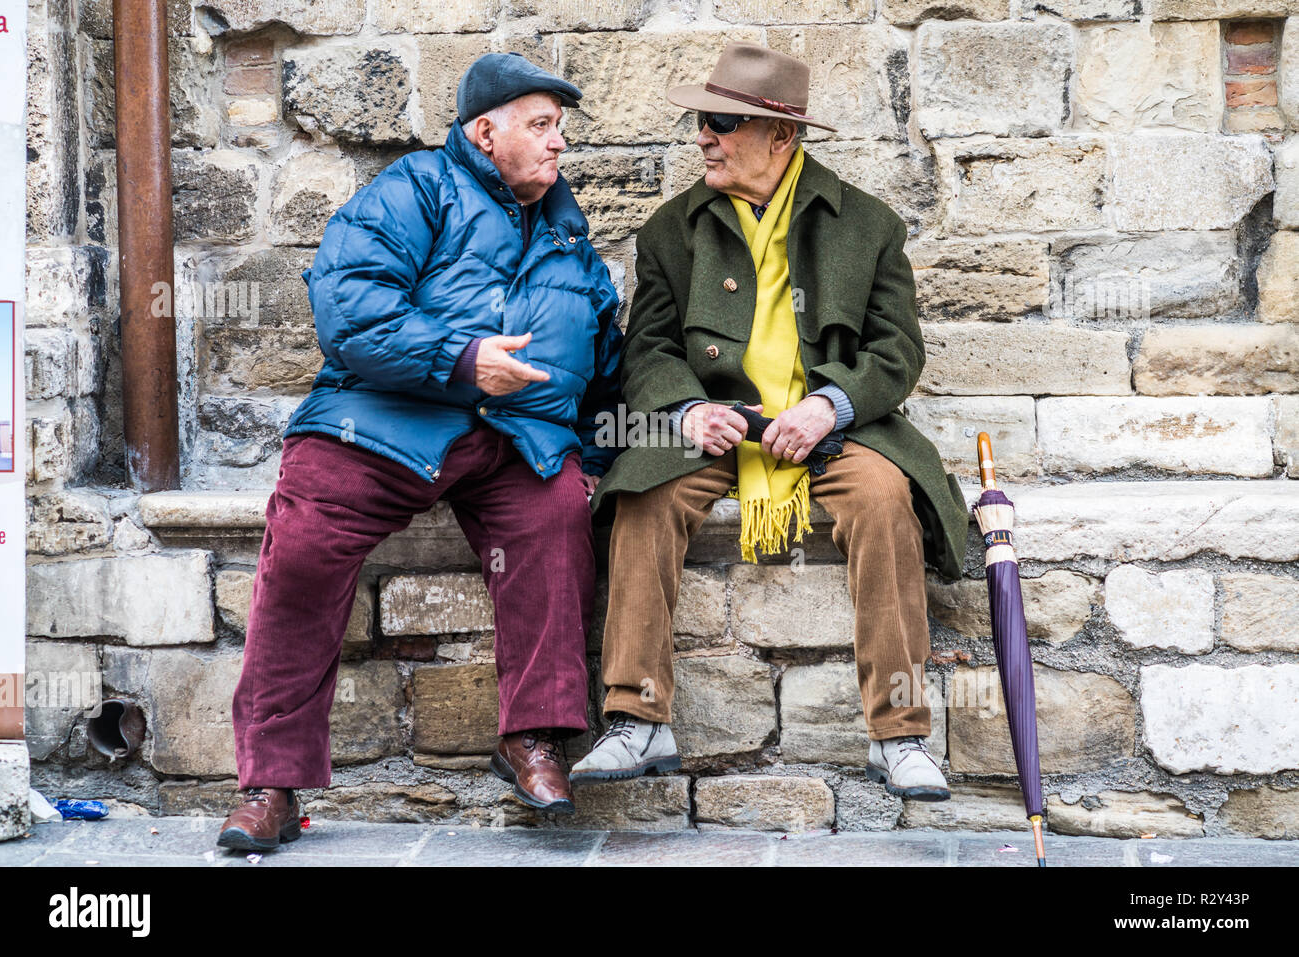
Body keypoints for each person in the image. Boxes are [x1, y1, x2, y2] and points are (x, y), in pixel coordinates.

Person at [218, 53, 624, 851]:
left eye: (561, 129)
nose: (559, 145)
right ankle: (271, 780)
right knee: (304, 544)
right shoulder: (417, 190)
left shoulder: (574, 248)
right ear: (485, 130)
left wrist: (602, 456)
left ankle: (534, 737)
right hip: (384, 420)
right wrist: (464, 359)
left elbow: (607, 374)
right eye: (541, 126)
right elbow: (351, 308)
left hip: (517, 441)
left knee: (556, 516)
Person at [572, 43, 968, 801]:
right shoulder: (669, 232)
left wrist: (829, 404)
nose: (703, 138)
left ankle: (901, 732)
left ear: (780, 136)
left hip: (838, 427)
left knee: (887, 503)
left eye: (721, 122)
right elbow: (647, 348)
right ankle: (637, 717)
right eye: (702, 121)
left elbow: (897, 351)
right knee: (644, 495)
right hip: (718, 426)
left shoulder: (870, 226)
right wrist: (689, 410)